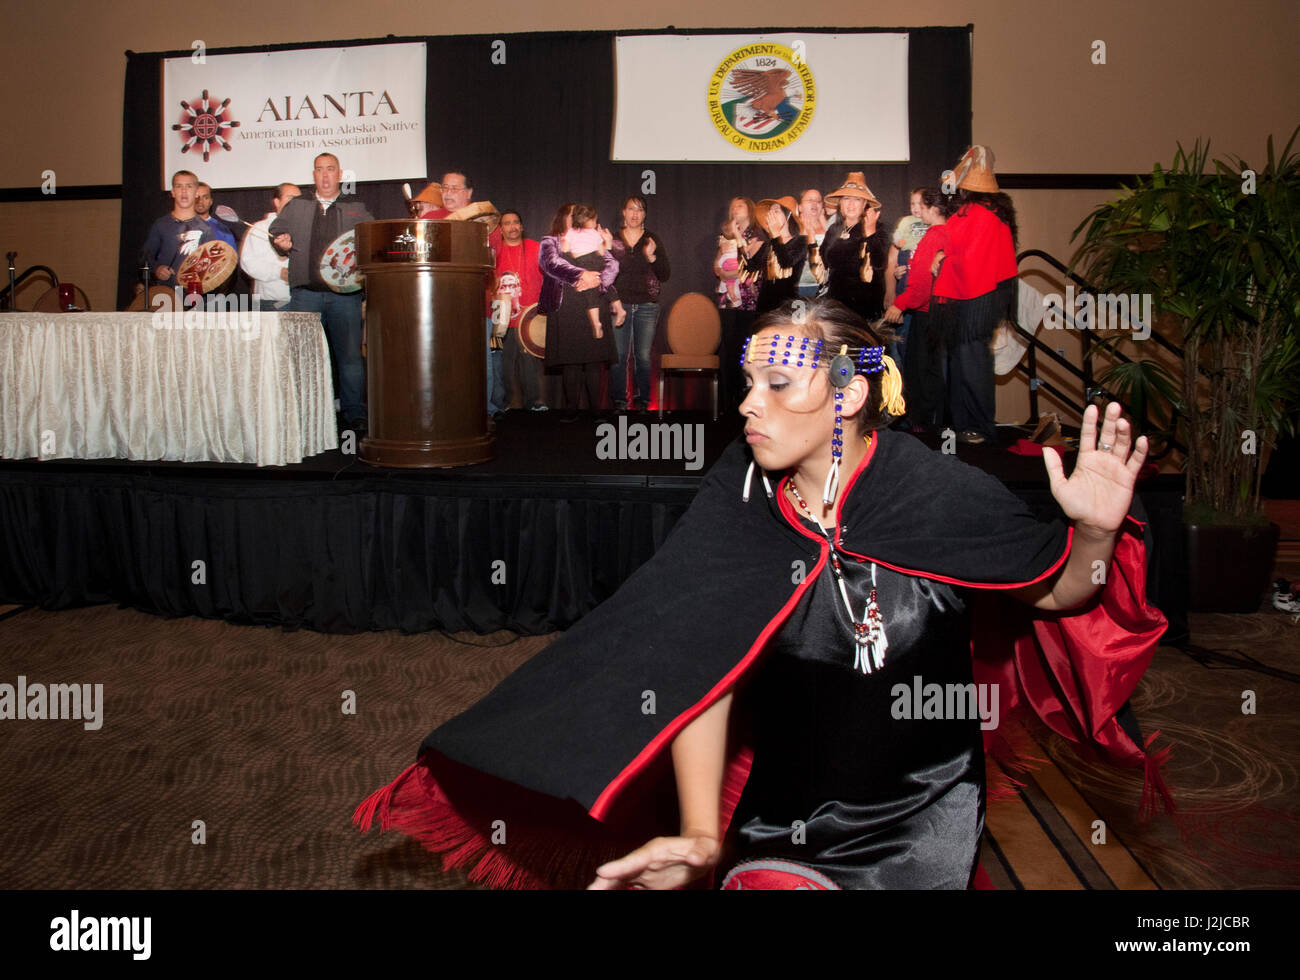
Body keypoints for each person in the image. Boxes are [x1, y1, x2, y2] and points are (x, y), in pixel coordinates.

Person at [355, 297, 1170, 891]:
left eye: (781, 387)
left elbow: (1064, 595)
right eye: (752, 381)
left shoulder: (937, 495)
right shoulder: (740, 495)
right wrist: (701, 834)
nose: (749, 403)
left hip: (925, 816)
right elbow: (693, 668)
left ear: (849, 397)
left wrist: (1095, 536)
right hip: (783, 816)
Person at [270, 153, 374, 432]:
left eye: (330, 169)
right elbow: (276, 230)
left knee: (350, 357)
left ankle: (355, 413)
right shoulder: (296, 206)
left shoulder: (357, 207)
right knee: (304, 356)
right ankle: (306, 411)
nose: (325, 175)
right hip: (306, 294)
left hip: (345, 296)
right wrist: (280, 241)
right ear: (313, 175)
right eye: (319, 170)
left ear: (340, 174)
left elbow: (372, 239)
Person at [929, 146, 1019, 446]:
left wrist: (943, 259)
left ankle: (978, 425)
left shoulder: (984, 215)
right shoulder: (967, 214)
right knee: (960, 359)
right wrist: (942, 256)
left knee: (971, 360)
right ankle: (963, 422)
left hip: (978, 298)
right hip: (963, 296)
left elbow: (975, 262)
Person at [415, 170, 506, 418]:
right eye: (445, 187)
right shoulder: (431, 218)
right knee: (442, 359)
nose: (448, 193)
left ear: (469, 192)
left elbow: (493, 258)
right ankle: (444, 411)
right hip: (438, 304)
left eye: (455, 188)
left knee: (478, 359)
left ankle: (483, 411)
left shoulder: (486, 218)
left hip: (475, 302)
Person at [543, 204, 623, 421]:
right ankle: (571, 409)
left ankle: (596, 410)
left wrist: (601, 282)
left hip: (594, 302)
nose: (576, 218)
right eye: (572, 214)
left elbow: (612, 264)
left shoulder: (593, 237)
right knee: (571, 360)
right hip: (568, 306)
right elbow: (550, 266)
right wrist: (582, 275)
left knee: (594, 360)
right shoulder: (552, 242)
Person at [884, 187, 951, 431]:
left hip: (927, 311)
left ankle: (921, 425)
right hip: (940, 309)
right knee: (933, 368)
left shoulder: (934, 237)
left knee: (918, 369)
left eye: (921, 206)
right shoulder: (950, 233)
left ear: (933, 209)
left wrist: (899, 304)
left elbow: (922, 284)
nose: (918, 211)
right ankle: (933, 422)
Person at [609, 195, 671, 412]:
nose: (635, 213)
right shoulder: (614, 239)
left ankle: (643, 400)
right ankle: (619, 400)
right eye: (630, 209)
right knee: (618, 356)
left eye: (639, 209)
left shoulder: (651, 239)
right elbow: (604, 274)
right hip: (619, 305)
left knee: (643, 357)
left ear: (644, 214)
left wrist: (652, 257)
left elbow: (665, 275)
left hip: (647, 305)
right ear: (623, 212)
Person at [818, 173, 892, 326]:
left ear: (865, 203)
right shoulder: (834, 229)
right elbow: (825, 260)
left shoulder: (878, 228)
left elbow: (880, 263)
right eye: (846, 198)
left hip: (866, 305)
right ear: (840, 202)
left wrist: (870, 233)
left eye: (857, 199)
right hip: (837, 304)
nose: (850, 204)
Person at [492, 210, 545, 412]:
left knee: (529, 364)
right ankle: (502, 404)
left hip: (528, 319)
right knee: (500, 364)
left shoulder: (536, 248)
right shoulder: (493, 251)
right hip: (497, 317)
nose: (512, 226)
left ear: (521, 226)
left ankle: (533, 403)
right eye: (507, 223)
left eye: (516, 222)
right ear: (500, 228)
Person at [715, 196, 763, 409]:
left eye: (740, 205)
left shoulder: (757, 235)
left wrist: (730, 272)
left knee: (745, 348)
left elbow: (750, 265)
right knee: (728, 348)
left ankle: (747, 396)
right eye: (733, 205)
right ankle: (728, 398)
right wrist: (722, 271)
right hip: (728, 301)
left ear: (750, 210)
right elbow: (718, 267)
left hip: (748, 301)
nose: (735, 208)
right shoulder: (725, 235)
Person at [141, 170, 212, 286]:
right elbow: (145, 256)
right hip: (166, 295)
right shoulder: (161, 224)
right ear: (173, 192)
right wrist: (157, 269)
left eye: (189, 186)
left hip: (194, 295)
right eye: (179, 186)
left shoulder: (206, 228)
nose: (184, 191)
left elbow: (209, 265)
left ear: (196, 193)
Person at [884, 187, 930, 365]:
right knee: (904, 341)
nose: (917, 208)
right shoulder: (905, 222)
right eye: (913, 204)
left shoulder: (936, 225)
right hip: (906, 279)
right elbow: (893, 257)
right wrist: (892, 289)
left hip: (928, 291)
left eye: (921, 204)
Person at [239, 182, 301, 312]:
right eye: (290, 198)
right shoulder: (259, 229)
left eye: (299, 199)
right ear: (277, 202)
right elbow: (248, 263)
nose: (295, 203)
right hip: (272, 303)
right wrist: (279, 272)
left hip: (303, 301)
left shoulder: (304, 228)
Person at [750, 196, 806, 313]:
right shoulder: (768, 244)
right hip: (765, 303)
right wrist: (739, 243)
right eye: (770, 212)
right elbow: (750, 267)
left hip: (788, 305)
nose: (771, 215)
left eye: (776, 211)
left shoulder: (801, 241)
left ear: (788, 215)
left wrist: (776, 236)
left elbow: (786, 263)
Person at [794, 188, 828, 299]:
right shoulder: (792, 228)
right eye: (810, 200)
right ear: (800, 206)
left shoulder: (829, 227)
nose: (815, 204)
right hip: (798, 287)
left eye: (818, 201)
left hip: (825, 287)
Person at [195, 183, 238, 249]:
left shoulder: (222, 230)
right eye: (196, 197)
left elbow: (232, 256)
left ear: (211, 201)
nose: (200, 201)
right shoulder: (181, 227)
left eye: (205, 197)